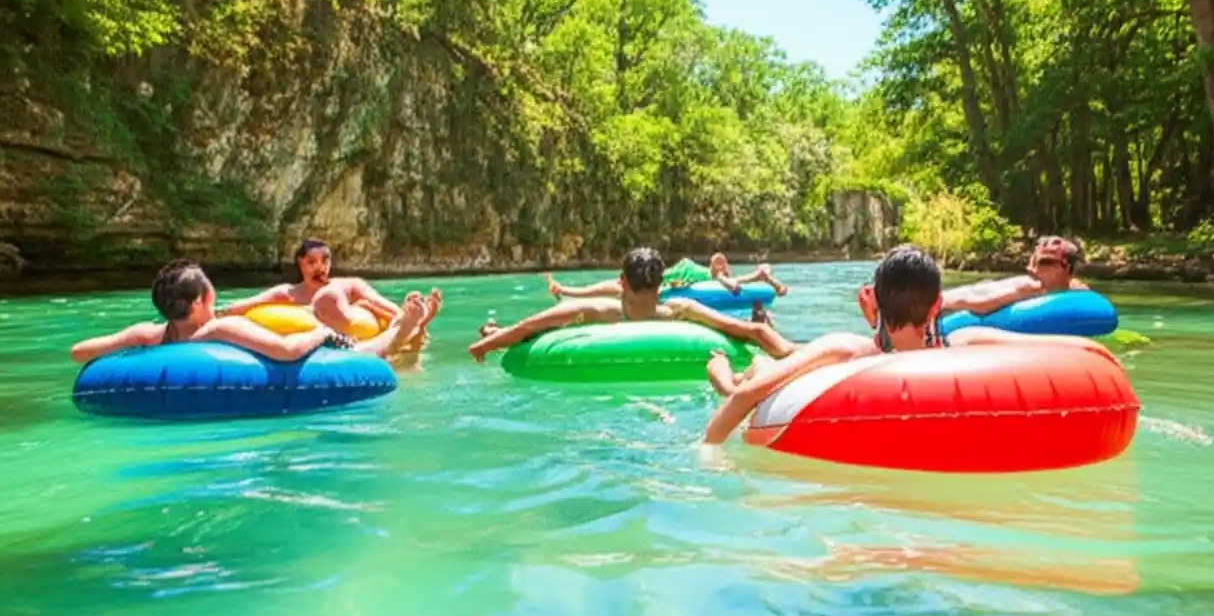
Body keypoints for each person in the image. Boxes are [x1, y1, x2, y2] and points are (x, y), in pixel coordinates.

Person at [701, 245, 1117, 444]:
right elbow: (1080, 353)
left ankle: (725, 368)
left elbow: (744, 400)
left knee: (764, 367)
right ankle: (725, 369)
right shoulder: (967, 341)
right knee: (758, 367)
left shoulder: (844, 350)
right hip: (888, 349)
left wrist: (707, 458)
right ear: (939, 304)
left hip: (858, 359)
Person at [70, 259, 432, 365]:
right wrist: (319, 333)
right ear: (200, 302)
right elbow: (286, 351)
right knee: (356, 350)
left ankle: (403, 333)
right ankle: (399, 330)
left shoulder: (149, 335)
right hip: (309, 346)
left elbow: (79, 352)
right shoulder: (220, 329)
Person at [469, 247, 797, 362]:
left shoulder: (598, 311)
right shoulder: (680, 310)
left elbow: (530, 326)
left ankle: (492, 330)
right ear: (661, 284)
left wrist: (484, 346)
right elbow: (747, 330)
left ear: (621, 282)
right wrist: (791, 354)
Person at [219, 239, 438, 350]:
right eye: (312, 262)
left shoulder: (350, 287)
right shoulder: (286, 294)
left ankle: (419, 324)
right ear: (300, 264)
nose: (320, 268)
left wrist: (370, 308)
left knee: (391, 321)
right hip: (324, 347)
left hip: (364, 341)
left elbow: (394, 312)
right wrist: (210, 314)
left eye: (325, 261)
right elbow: (242, 307)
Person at [856, 235, 1089, 326]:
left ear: (1067, 268)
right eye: (1034, 262)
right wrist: (929, 303)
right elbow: (979, 298)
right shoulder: (1031, 285)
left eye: (1045, 263)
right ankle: (892, 313)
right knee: (984, 288)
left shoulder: (1077, 293)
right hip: (943, 309)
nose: (1034, 269)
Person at [541, 252, 788, 300]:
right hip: (682, 274)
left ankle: (563, 291)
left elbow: (608, 288)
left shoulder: (687, 277)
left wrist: (565, 291)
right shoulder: (679, 275)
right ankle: (563, 290)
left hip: (684, 275)